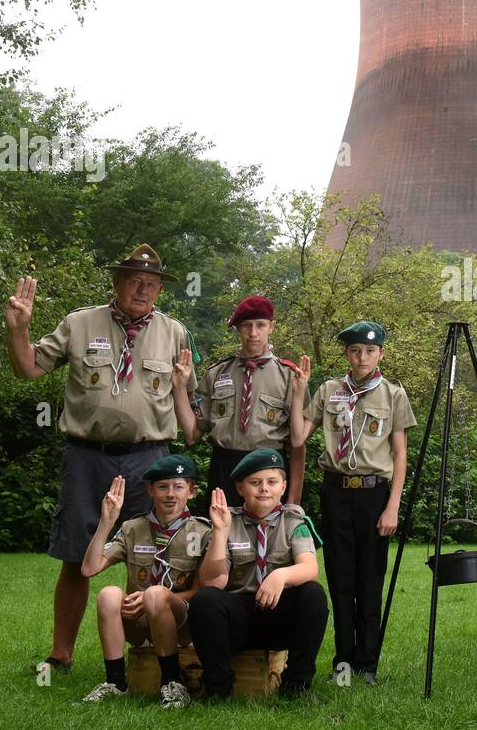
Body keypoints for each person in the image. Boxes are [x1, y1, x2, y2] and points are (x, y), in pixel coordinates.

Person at [5, 243, 198, 675]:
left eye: (152, 284)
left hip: (150, 460)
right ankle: (61, 655)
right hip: (86, 458)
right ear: (117, 282)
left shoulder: (176, 333)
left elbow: (189, 399)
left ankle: (156, 654)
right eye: (135, 281)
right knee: (76, 556)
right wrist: (18, 329)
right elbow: (28, 369)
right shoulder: (79, 322)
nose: (144, 290)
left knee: (160, 554)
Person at [288, 321, 415, 685]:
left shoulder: (393, 394)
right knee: (341, 580)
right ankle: (343, 662)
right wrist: (299, 393)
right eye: (356, 351)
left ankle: (368, 663)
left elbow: (400, 455)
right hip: (336, 491)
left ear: (381, 354)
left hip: (375, 493)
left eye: (370, 351)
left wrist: (392, 506)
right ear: (346, 353)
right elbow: (298, 437)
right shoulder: (329, 391)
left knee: (370, 580)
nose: (362, 357)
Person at [190, 448, 328, 700]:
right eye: (255, 483)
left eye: (271, 482)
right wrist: (220, 532)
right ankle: (217, 687)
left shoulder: (294, 522)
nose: (264, 488)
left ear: (283, 486)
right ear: (240, 488)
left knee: (313, 594)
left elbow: (310, 568)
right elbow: (213, 581)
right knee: (205, 599)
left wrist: (281, 576)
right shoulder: (227, 520)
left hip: (279, 617)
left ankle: (296, 686)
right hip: (239, 619)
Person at [77, 455, 211, 707]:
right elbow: (89, 568)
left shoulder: (202, 532)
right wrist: (106, 521)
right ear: (150, 490)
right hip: (138, 622)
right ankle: (115, 682)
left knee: (155, 594)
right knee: (108, 594)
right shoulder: (133, 527)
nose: (170, 494)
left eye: (178, 486)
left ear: (191, 492)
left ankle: (172, 683)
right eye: (162, 487)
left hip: (181, 622)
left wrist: (156, 596)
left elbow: (202, 591)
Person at [172, 294, 308, 506]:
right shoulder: (216, 373)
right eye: (246, 326)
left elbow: (298, 445)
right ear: (237, 329)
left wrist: (294, 498)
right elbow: (192, 435)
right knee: (221, 536)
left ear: (271, 327)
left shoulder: (290, 376)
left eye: (260, 325)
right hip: (224, 469)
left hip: (268, 469)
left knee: (266, 537)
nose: (253, 333)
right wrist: (179, 388)